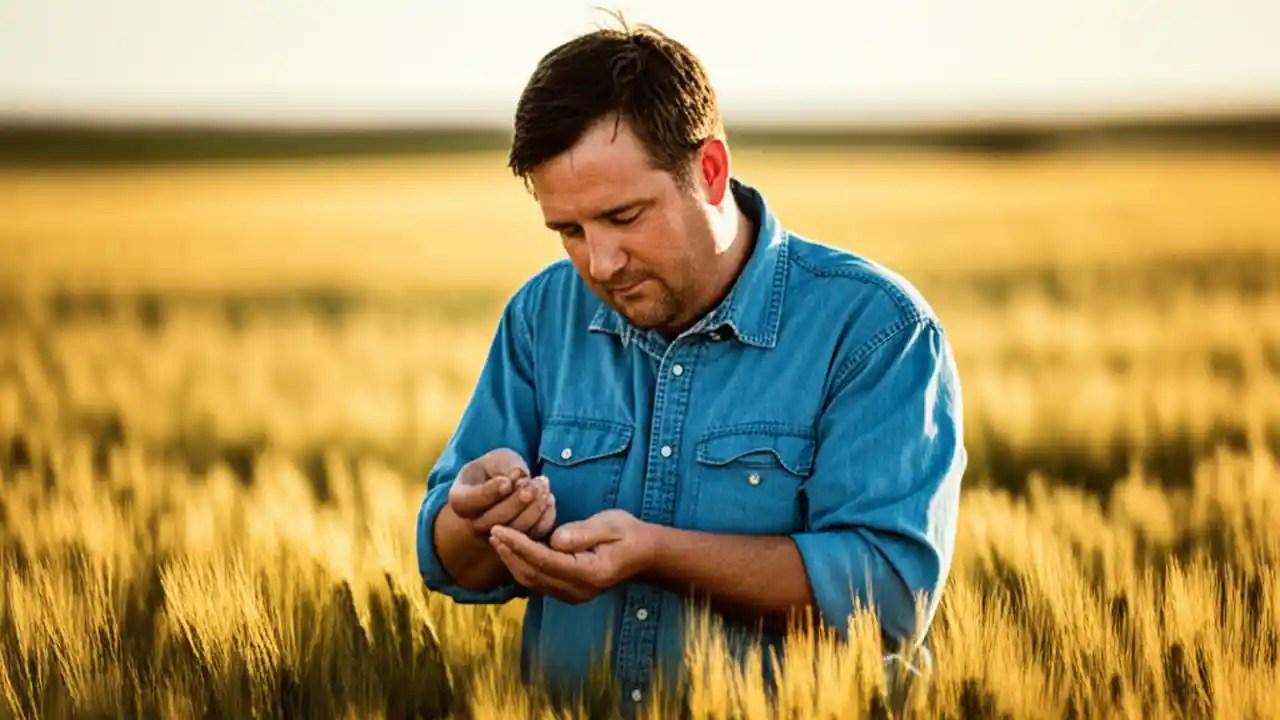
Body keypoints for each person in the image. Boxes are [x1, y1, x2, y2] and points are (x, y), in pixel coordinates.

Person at [416, 18, 966, 716]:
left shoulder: (873, 330)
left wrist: (656, 553)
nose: (600, 263)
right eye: (570, 231)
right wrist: (471, 515)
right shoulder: (540, 317)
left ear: (709, 171)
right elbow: (447, 562)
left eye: (624, 216)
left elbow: (888, 595)